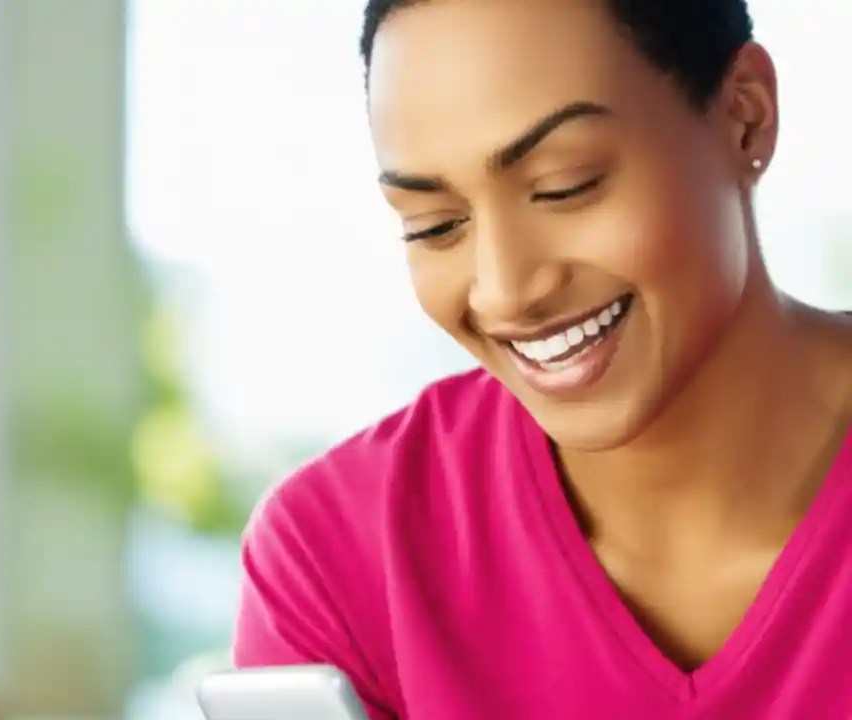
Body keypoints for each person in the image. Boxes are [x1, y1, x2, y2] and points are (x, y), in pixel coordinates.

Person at [231, 1, 852, 717]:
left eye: (566, 186)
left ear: (746, 114)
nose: (505, 293)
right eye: (436, 226)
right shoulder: (342, 555)